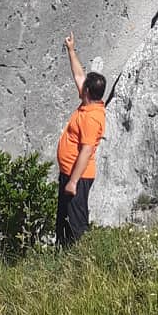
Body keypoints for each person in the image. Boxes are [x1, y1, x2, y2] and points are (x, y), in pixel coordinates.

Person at [55, 34, 107, 247]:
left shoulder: (92, 117)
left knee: (77, 225)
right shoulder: (89, 103)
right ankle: (65, 258)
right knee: (64, 223)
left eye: (84, 85)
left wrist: (73, 182)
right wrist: (71, 50)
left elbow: (86, 151)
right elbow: (78, 75)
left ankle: (83, 262)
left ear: (86, 91)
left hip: (79, 177)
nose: (81, 83)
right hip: (69, 174)